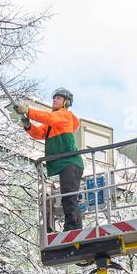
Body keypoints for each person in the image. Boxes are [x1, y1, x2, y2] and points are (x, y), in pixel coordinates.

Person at [16, 88, 85, 231]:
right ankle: (74, 226)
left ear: (66, 103)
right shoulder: (53, 122)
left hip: (71, 162)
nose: (55, 100)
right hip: (64, 163)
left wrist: (28, 110)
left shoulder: (65, 116)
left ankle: (72, 227)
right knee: (67, 195)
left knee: (68, 195)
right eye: (54, 98)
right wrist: (28, 126)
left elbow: (48, 117)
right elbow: (39, 133)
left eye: (59, 98)